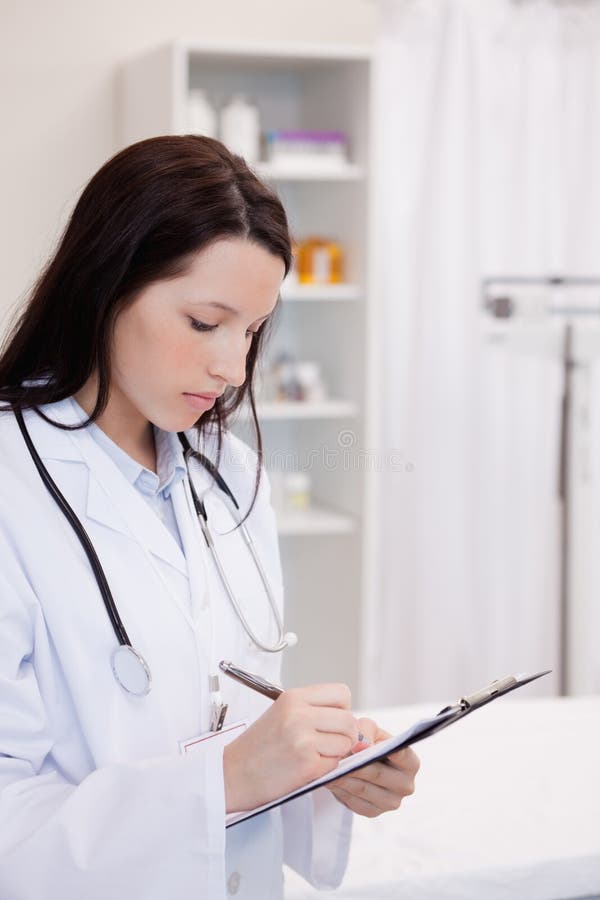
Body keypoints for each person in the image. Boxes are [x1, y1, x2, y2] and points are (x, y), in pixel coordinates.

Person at [0, 135, 420, 899]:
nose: (232, 367)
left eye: (253, 330)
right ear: (106, 284)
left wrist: (323, 771)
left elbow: (226, 713)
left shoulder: (229, 472)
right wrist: (222, 781)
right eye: (204, 322)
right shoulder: (10, 481)